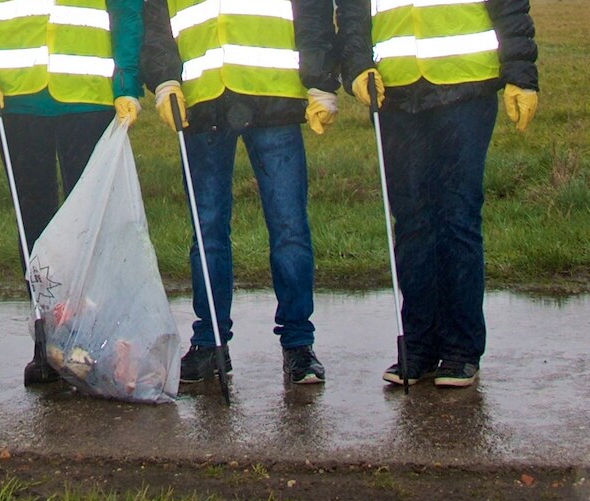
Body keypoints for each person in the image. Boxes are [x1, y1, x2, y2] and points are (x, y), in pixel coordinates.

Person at [337, 0, 538, 388]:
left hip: (466, 87)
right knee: (412, 223)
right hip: (396, 93)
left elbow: (511, 7)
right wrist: (357, 66)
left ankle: (461, 349)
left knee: (457, 218)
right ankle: (419, 346)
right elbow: (352, 12)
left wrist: (521, 75)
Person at [141, 0, 337, 386]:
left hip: (274, 94)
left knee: (289, 227)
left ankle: (298, 344)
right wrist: (165, 80)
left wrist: (321, 81)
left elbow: (312, 10)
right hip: (203, 99)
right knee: (207, 230)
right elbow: (156, 16)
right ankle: (210, 342)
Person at [0, 0, 144, 386]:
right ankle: (47, 339)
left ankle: (89, 340)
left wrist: (126, 79)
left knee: (89, 226)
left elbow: (128, 8)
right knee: (33, 222)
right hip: (15, 95)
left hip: (88, 93)